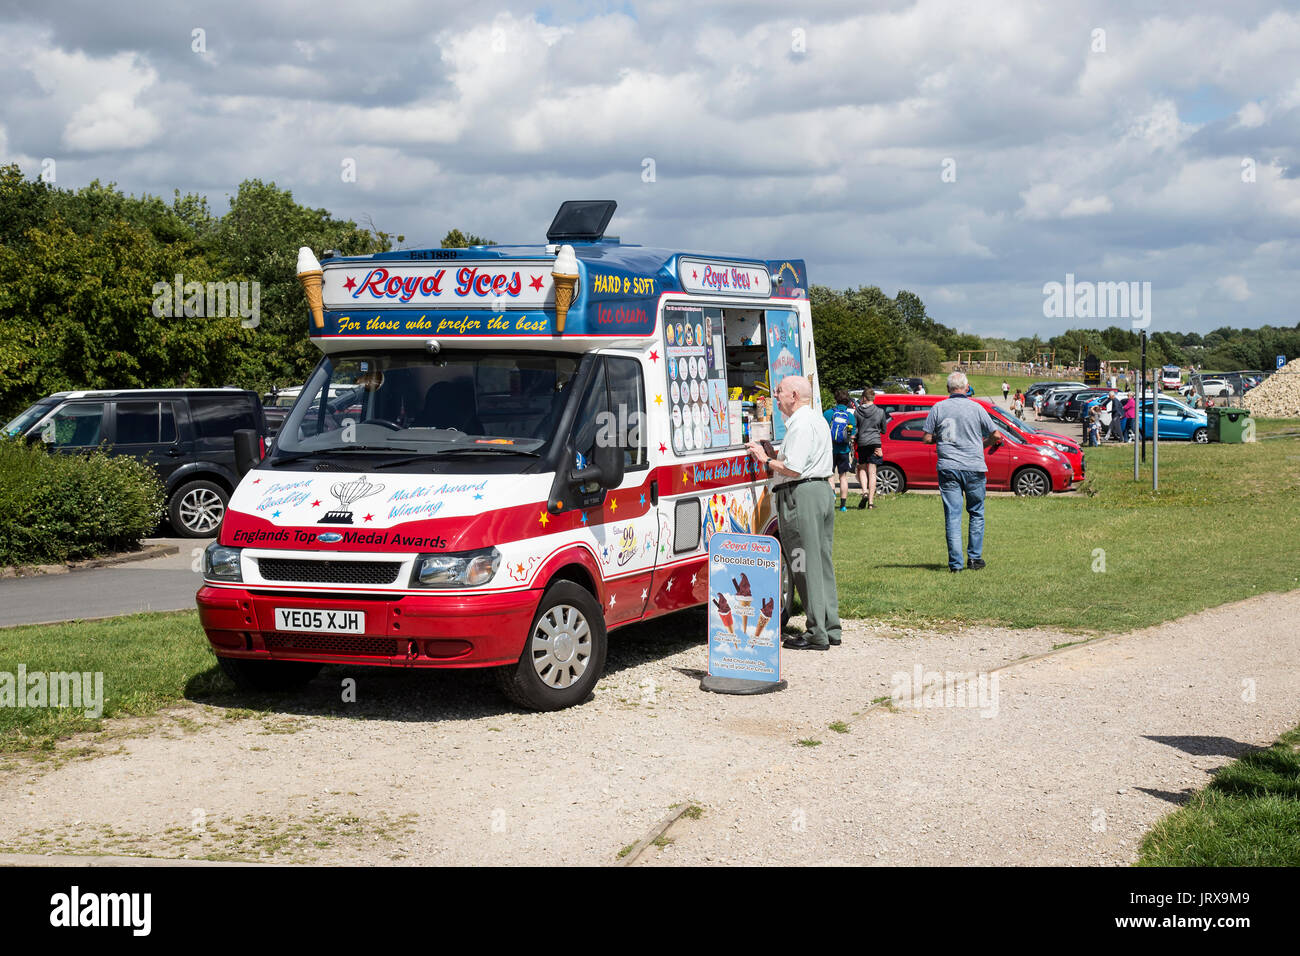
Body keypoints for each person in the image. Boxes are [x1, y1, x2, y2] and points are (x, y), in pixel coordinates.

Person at [747, 376, 841, 650]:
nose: (775, 397)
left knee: (802, 563)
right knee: (821, 563)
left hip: (802, 495)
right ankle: (830, 627)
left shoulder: (799, 424)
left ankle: (816, 633)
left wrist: (765, 459)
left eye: (779, 393)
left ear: (795, 396)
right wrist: (775, 454)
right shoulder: (815, 420)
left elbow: (794, 468)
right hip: (820, 490)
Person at [922, 372, 1002, 573]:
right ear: (967, 388)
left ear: (948, 389)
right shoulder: (977, 407)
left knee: (953, 515)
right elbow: (996, 434)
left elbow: (926, 438)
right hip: (974, 466)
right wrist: (983, 444)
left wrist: (940, 440)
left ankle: (956, 564)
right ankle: (974, 559)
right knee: (976, 512)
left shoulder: (938, 408)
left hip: (948, 466)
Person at [854, 389, 887, 510]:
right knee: (873, 472)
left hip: (862, 443)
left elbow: (855, 428)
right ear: (873, 398)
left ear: (863, 398)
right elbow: (884, 430)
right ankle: (871, 503)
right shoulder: (880, 412)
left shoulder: (857, 411)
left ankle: (864, 492)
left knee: (862, 468)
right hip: (875, 444)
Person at [824, 389, 856, 511]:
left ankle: (832, 494)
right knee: (843, 477)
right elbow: (852, 435)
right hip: (844, 450)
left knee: (830, 475)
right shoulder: (850, 416)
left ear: (836, 400)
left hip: (830, 450)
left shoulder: (828, 414)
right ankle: (843, 506)